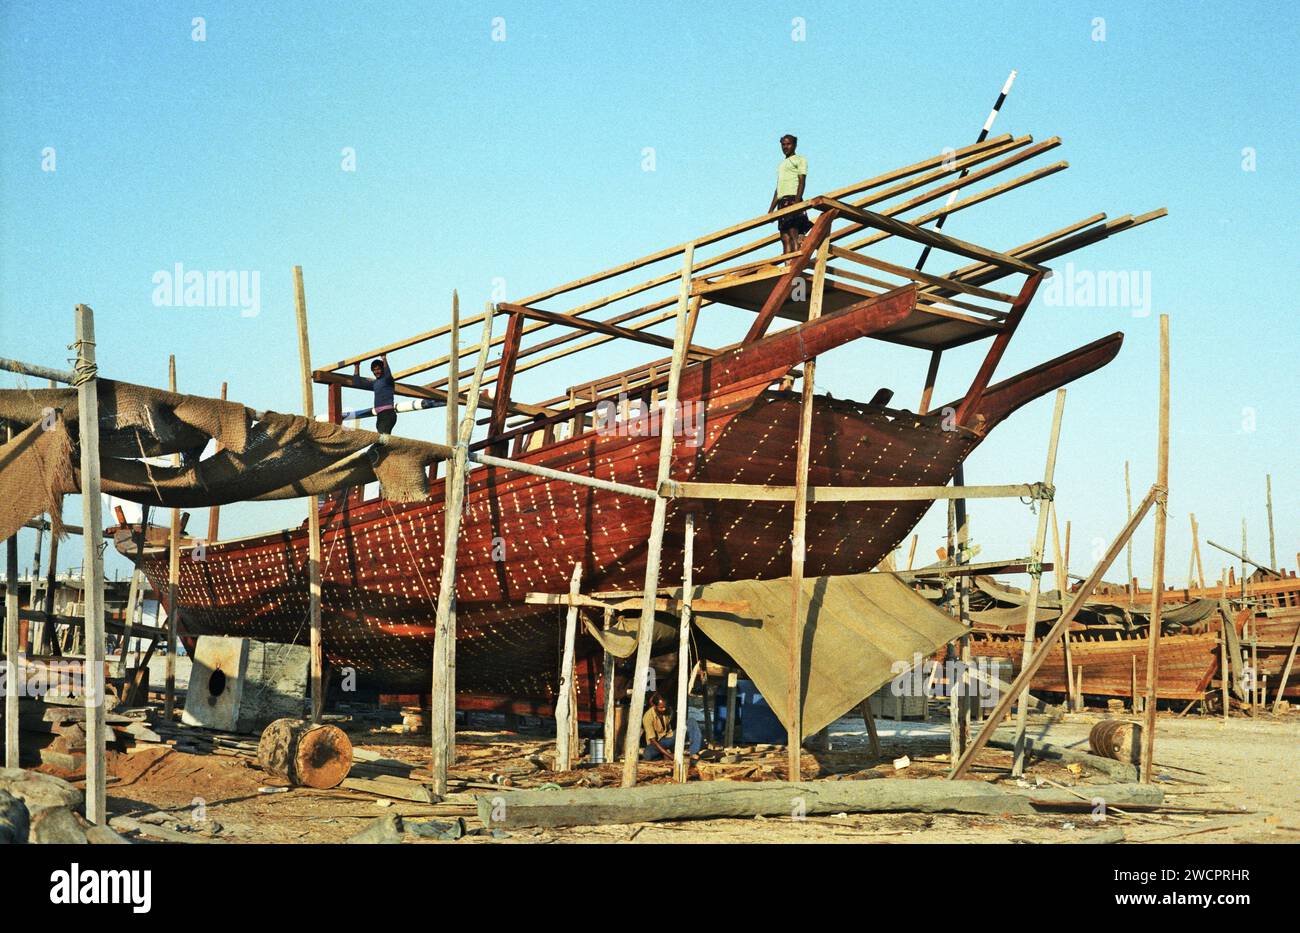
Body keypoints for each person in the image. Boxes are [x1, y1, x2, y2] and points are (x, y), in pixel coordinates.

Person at [768, 134, 810, 255]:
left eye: (788, 144)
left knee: (793, 233)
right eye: (783, 144)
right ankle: (787, 263)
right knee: (784, 237)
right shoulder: (781, 164)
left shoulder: (800, 160)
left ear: (795, 145)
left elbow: (802, 181)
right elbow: (778, 188)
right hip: (782, 202)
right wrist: (771, 210)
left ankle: (795, 263)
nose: (785, 147)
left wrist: (797, 202)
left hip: (792, 199)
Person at [641, 691, 703, 761]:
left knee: (691, 722)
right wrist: (669, 755)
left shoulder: (669, 710)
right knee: (647, 755)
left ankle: (694, 753)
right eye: (661, 708)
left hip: (669, 738)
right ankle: (663, 755)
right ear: (654, 706)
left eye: (665, 707)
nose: (664, 709)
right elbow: (653, 741)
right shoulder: (647, 717)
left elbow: (676, 723)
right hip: (656, 743)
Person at [354, 353, 396, 436]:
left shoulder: (387, 380)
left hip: (388, 413)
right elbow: (357, 383)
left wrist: (384, 358)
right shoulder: (375, 383)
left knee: (382, 439)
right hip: (380, 415)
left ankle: (376, 449)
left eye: (378, 369)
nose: (376, 372)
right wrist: (357, 366)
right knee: (382, 438)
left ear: (382, 369)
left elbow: (388, 373)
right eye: (374, 370)